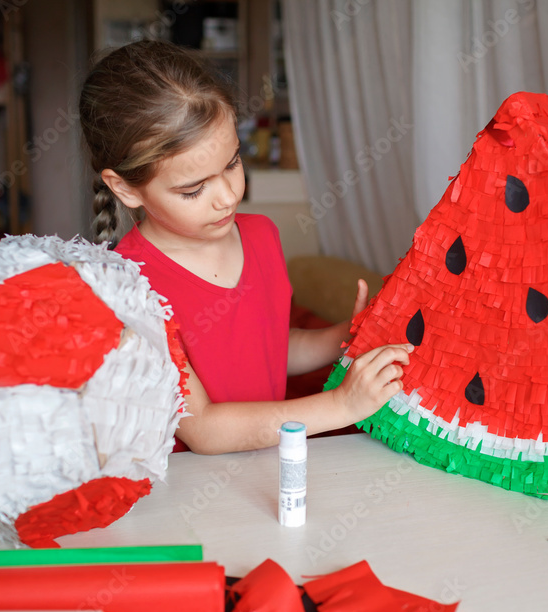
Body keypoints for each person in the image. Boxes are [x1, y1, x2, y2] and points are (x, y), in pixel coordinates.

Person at [78, 40, 411, 454]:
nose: (228, 196)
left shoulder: (261, 235)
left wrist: (347, 334)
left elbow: (270, 348)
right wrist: (342, 406)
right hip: (192, 494)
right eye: (194, 188)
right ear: (125, 187)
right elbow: (203, 430)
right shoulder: (126, 285)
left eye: (233, 163)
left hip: (271, 466)